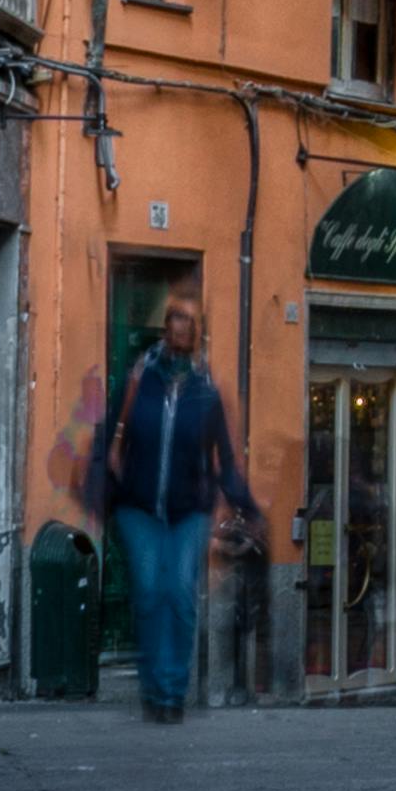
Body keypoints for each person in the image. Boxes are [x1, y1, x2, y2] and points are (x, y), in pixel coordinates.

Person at [87, 288, 263, 721]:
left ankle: (173, 693)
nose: (184, 328)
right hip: (138, 506)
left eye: (191, 322)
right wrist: (103, 483)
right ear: (166, 328)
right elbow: (112, 432)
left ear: (197, 334)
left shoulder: (206, 392)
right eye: (177, 320)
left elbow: (223, 456)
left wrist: (247, 506)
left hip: (190, 511)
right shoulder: (139, 378)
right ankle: (154, 689)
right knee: (149, 594)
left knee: (181, 595)